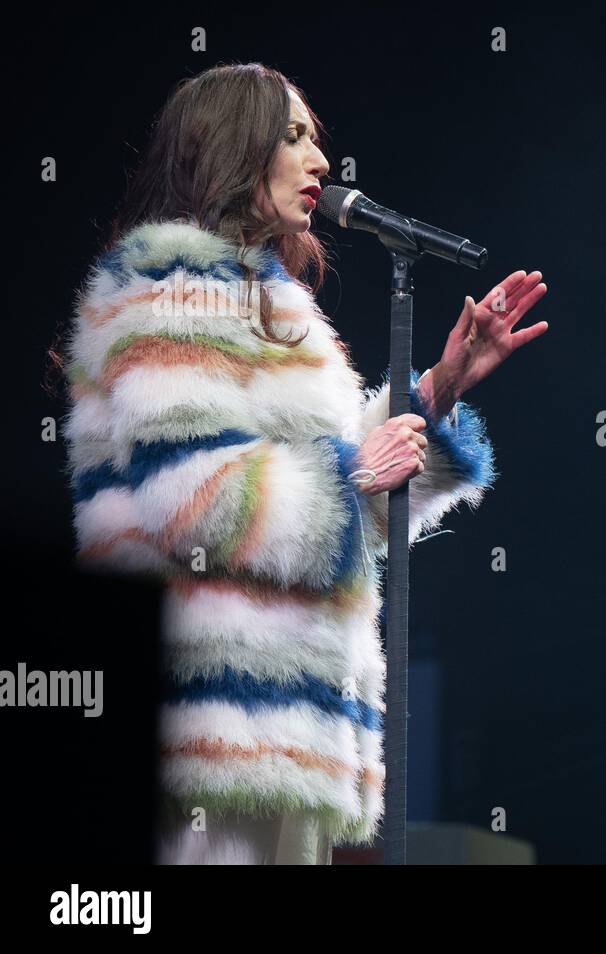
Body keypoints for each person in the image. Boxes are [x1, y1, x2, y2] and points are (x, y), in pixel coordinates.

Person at [55, 63, 549, 863]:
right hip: (208, 729)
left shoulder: (272, 303)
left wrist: (438, 388)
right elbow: (199, 499)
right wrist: (353, 471)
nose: (321, 161)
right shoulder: (171, 287)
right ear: (230, 148)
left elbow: (359, 512)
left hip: (286, 725)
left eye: (316, 139)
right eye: (293, 138)